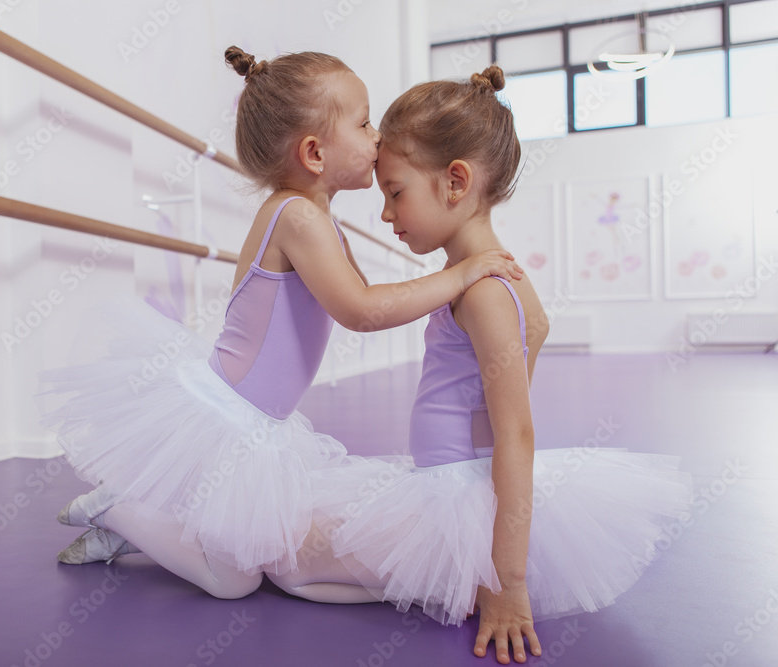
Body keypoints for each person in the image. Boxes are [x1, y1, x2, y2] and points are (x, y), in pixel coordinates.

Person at [37, 49, 523, 601]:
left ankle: (132, 525)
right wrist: (460, 275)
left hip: (261, 421)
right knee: (235, 581)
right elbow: (362, 310)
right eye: (364, 124)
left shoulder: (319, 220)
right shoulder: (296, 216)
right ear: (315, 152)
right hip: (230, 416)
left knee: (257, 557)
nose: (377, 138)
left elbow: (374, 300)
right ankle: (117, 508)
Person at [266, 66, 693, 664]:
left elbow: (516, 434)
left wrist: (508, 587)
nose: (388, 214)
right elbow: (534, 331)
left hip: (451, 500)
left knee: (283, 559)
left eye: (395, 192)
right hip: (447, 488)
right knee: (300, 545)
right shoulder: (489, 277)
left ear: (456, 181)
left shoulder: (484, 290)